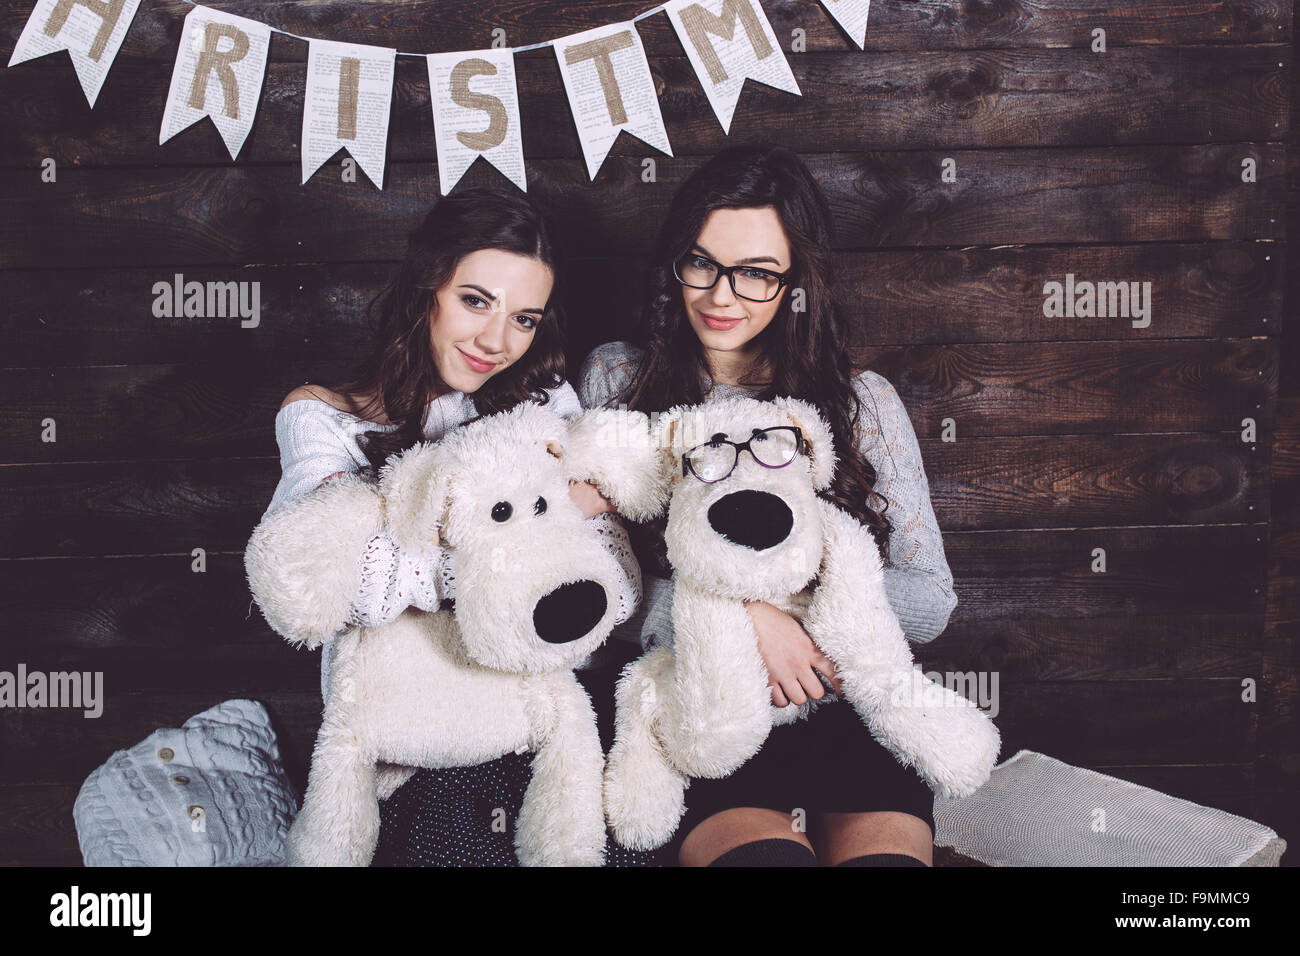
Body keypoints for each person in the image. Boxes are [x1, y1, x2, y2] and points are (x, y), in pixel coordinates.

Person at [577, 143, 960, 867]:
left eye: (755, 274)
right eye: (703, 264)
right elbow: (601, 597)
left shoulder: (863, 404)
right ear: (676, 262)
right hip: (703, 711)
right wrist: (740, 620)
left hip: (849, 704)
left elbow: (931, 601)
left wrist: (789, 614)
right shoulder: (619, 378)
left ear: (795, 283)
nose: (722, 297)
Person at [253, 184, 654, 865]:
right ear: (427, 287)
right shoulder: (324, 417)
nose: (497, 341)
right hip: (418, 738)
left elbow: (612, 579)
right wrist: (534, 533)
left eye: (524, 319)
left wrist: (432, 549)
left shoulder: (541, 401)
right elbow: (340, 589)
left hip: (550, 713)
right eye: (477, 301)